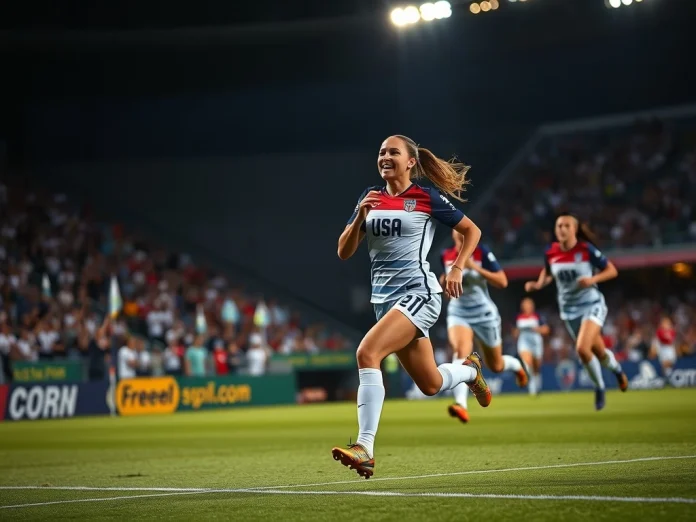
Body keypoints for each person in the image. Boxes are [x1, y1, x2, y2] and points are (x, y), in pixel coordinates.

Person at [331, 135, 491, 479]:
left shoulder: (425, 197)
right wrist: (360, 218)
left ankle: (365, 447)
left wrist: (459, 266)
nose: (385, 156)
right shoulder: (368, 198)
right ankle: (470, 371)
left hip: (420, 294)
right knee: (430, 384)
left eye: (393, 152)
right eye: (381, 152)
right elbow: (344, 252)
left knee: (367, 353)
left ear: (410, 163)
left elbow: (471, 230)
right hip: (385, 302)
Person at [524, 213, 628, 410]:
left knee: (582, 348)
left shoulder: (585, 249)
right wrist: (538, 284)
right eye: (559, 226)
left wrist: (592, 280)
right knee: (598, 352)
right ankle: (618, 371)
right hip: (568, 311)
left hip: (592, 304)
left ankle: (599, 388)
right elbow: (547, 272)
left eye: (566, 226)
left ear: (574, 229)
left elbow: (611, 270)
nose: (561, 229)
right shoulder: (551, 252)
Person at [441, 231, 525, 424]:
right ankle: (461, 405)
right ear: (453, 233)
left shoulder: (482, 253)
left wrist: (474, 268)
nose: (460, 232)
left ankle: (516, 366)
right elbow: (447, 282)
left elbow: (502, 281)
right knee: (460, 350)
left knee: (496, 365)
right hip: (458, 311)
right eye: (456, 229)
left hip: (484, 313)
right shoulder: (445, 255)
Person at [512, 297, 550, 396]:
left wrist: (536, 329)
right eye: (525, 304)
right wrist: (517, 331)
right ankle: (531, 389)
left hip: (536, 343)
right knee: (527, 363)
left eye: (529, 304)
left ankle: (537, 386)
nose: (527, 306)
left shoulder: (537, 316)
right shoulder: (518, 317)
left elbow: (546, 329)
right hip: (524, 343)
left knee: (536, 367)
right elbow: (514, 332)